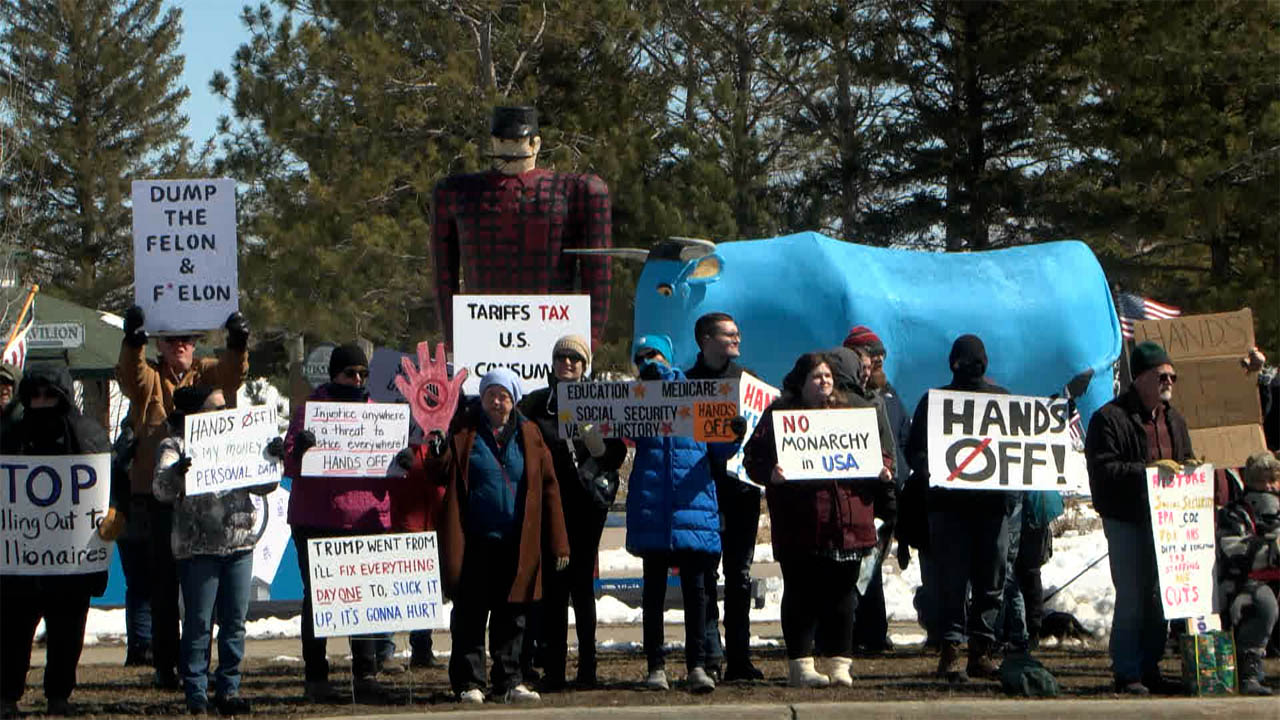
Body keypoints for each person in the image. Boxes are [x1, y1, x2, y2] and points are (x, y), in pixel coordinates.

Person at [115, 305, 250, 689]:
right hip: (157, 497)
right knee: (162, 585)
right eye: (172, 339)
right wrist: (132, 342)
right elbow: (131, 376)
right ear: (159, 344)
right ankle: (165, 665)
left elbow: (234, 374)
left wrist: (238, 343)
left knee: (202, 591)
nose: (180, 345)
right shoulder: (150, 377)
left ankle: (197, 665)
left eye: (187, 339)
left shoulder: (208, 371)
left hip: (206, 498)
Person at [744, 352, 895, 688]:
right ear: (801, 382)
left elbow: (881, 452)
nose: (824, 381)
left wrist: (883, 469)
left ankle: (840, 664)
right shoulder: (779, 416)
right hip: (800, 523)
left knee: (843, 596)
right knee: (801, 594)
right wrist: (771, 473)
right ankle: (801, 665)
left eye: (828, 376)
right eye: (816, 376)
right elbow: (752, 459)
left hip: (849, 523)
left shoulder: (853, 414)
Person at [430, 369, 570, 704]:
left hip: (516, 543)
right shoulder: (463, 430)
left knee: (513, 616)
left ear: (514, 400)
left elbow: (550, 488)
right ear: (482, 398)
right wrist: (437, 448)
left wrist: (559, 542)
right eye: (491, 394)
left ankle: (509, 681)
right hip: (474, 542)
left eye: (504, 396)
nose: (497, 402)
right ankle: (469, 683)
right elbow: (439, 471)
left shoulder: (530, 433)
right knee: (470, 615)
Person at [431, 105, 612, 345]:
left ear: (535, 143)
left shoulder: (577, 192)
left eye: (517, 141)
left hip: (555, 337)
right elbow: (443, 276)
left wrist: (587, 342)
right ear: (493, 142)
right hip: (483, 337)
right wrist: (454, 341)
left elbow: (598, 276)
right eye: (502, 141)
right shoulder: (457, 193)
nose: (509, 149)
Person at [1, 364, 123, 717]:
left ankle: (58, 696)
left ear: (64, 397)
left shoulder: (88, 436)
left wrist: (115, 512)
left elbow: (114, 480)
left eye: (50, 395)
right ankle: (6, 696)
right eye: (35, 395)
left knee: (67, 632)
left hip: (71, 562)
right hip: (20, 564)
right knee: (12, 633)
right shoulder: (10, 434)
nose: (42, 402)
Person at [153, 386, 282, 715]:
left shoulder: (239, 440)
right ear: (197, 415)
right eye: (217, 408)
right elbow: (161, 489)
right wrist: (177, 473)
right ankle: (196, 690)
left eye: (226, 407)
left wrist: (271, 458)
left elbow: (265, 485)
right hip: (198, 549)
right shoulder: (175, 445)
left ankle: (229, 688)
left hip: (239, 543)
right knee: (198, 623)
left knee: (235, 621)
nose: (225, 413)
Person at [284, 343, 397, 702]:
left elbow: (393, 467)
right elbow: (289, 463)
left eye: (363, 374)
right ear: (335, 374)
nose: (358, 379)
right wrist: (300, 449)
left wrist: (403, 460)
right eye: (350, 373)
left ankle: (365, 674)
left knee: (361, 598)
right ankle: (316, 677)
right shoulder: (311, 412)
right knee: (318, 599)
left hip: (365, 518)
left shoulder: (378, 413)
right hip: (317, 519)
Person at [627, 335, 738, 694]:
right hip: (652, 508)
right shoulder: (634, 399)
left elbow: (720, 450)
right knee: (653, 594)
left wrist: (735, 435)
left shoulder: (696, 394)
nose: (648, 361)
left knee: (697, 592)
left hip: (693, 507)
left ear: (669, 356)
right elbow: (616, 433)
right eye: (640, 357)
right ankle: (655, 667)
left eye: (654, 354)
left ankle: (698, 666)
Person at [905, 334, 1019, 683]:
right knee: (950, 583)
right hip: (949, 508)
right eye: (968, 361)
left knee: (991, 581)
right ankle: (951, 651)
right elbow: (914, 451)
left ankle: (981, 650)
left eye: (978, 361)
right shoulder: (934, 402)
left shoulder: (1002, 401)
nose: (973, 366)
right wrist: (932, 469)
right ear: (953, 364)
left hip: (992, 509)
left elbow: (1020, 448)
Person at [1086, 340, 1195, 695]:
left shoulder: (1175, 420)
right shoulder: (1109, 418)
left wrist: (1190, 469)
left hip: (1166, 520)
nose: (1169, 382)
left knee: (1160, 596)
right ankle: (1127, 671)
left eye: (1173, 377)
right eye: (1162, 376)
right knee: (1132, 595)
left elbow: (1185, 457)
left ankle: (1150, 667)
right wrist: (1148, 472)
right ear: (1141, 378)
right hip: (1126, 517)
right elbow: (1104, 470)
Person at [519, 335, 627, 689]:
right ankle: (554, 670)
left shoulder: (600, 401)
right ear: (552, 363)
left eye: (575, 359)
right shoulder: (537, 403)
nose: (567, 363)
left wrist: (596, 445)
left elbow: (616, 454)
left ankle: (588, 668)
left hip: (586, 507)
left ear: (585, 366)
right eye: (561, 357)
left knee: (581, 585)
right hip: (550, 505)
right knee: (553, 586)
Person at [685, 312, 763, 681]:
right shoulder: (686, 385)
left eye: (738, 333)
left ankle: (740, 659)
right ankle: (709, 656)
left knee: (739, 576)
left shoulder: (749, 384)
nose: (737, 338)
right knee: (704, 576)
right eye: (728, 334)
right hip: (701, 494)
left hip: (742, 494)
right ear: (706, 339)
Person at [843, 326, 911, 653]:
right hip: (854, 495)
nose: (878, 360)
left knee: (872, 566)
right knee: (853, 566)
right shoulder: (840, 399)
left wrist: (899, 479)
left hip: (885, 495)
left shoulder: (891, 397)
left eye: (881, 354)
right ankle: (852, 630)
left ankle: (872, 631)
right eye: (871, 354)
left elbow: (903, 442)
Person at [1216, 451, 1279, 696]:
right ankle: (1248, 670)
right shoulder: (1234, 512)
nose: (1269, 487)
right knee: (1263, 601)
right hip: (1242, 583)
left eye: (1273, 480)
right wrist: (1271, 550)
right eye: (1263, 481)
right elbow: (1233, 550)